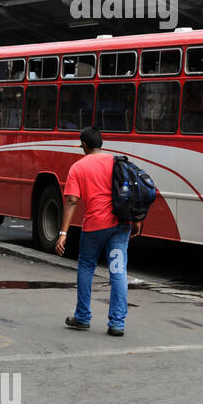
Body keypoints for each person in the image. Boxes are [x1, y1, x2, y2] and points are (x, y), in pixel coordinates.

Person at [55, 127, 140, 336]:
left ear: (84, 144)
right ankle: (117, 323)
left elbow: (72, 200)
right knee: (118, 271)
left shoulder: (78, 167)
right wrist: (136, 219)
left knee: (86, 267)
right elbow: (130, 192)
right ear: (101, 142)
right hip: (121, 224)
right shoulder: (116, 162)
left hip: (95, 226)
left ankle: (83, 317)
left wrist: (63, 233)